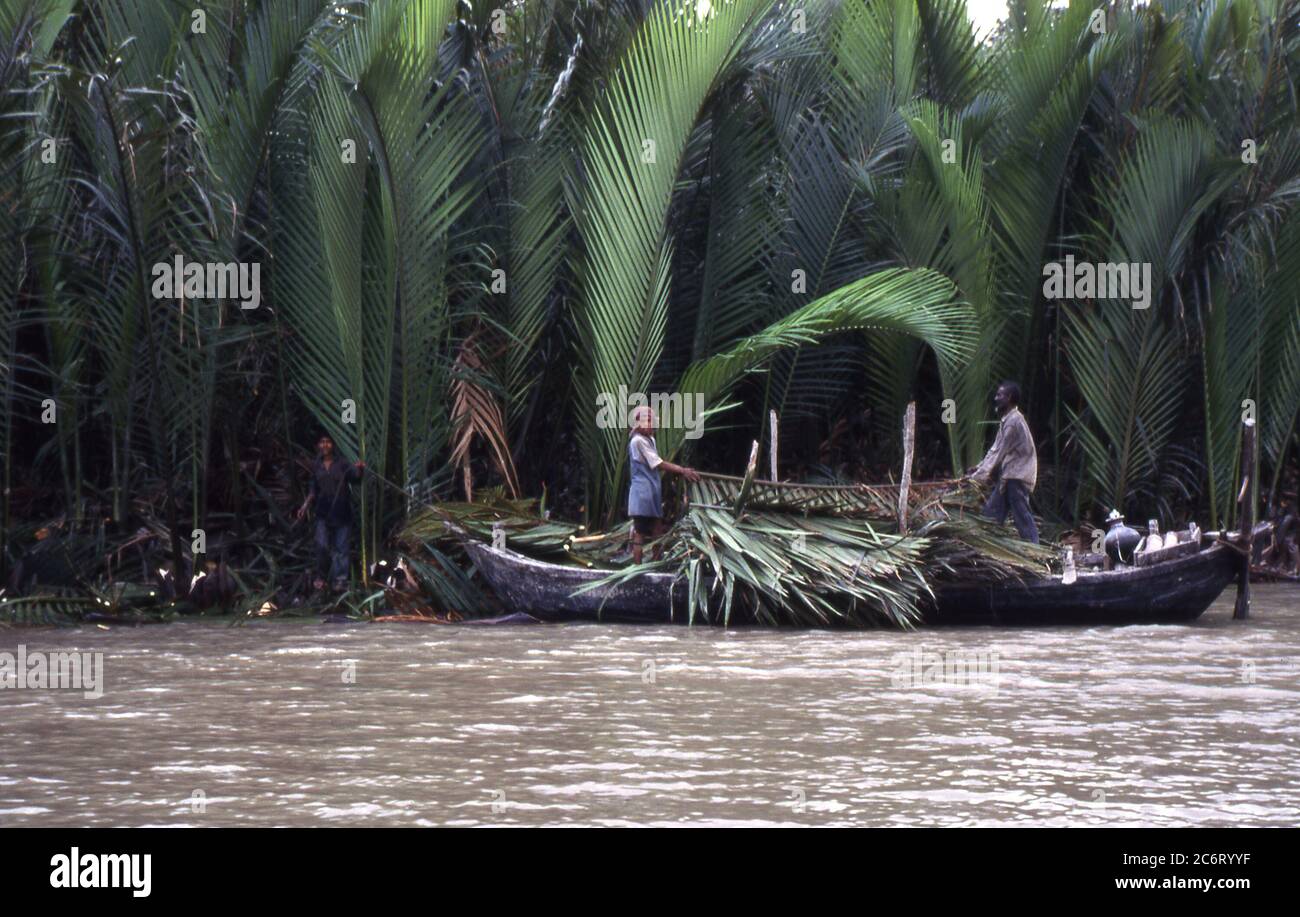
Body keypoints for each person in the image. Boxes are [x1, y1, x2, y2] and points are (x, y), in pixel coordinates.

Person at [966, 381, 1039, 544]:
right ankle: (984, 548)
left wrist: (977, 477)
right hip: (1009, 476)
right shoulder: (1008, 419)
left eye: (1000, 395)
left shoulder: (1013, 422)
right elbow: (995, 449)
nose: (996, 398)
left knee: (1022, 516)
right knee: (991, 515)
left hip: (1017, 476)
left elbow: (999, 453)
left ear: (1009, 398)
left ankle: (1037, 552)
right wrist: (978, 468)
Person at [628, 406, 700, 563]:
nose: (650, 424)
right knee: (639, 531)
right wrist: (681, 470)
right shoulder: (638, 441)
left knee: (657, 528)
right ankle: (637, 566)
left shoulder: (650, 440)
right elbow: (657, 463)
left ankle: (656, 563)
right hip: (642, 492)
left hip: (653, 490)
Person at [296, 433, 365, 591]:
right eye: (322, 441)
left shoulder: (342, 463)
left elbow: (356, 479)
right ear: (318, 445)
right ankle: (321, 577)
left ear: (333, 445)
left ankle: (340, 581)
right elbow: (313, 490)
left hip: (342, 512)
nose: (325, 445)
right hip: (323, 512)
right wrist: (304, 506)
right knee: (321, 546)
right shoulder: (316, 466)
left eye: (328, 441)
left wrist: (360, 469)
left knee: (342, 548)